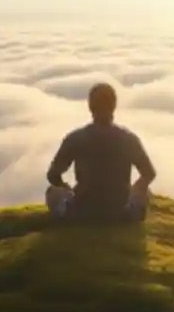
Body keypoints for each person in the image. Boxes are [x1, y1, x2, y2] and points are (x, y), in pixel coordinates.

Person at [46, 82, 156, 221]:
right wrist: (136, 188)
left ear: (90, 107)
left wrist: (65, 188)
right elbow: (149, 173)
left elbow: (52, 175)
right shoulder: (129, 139)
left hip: (81, 214)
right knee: (146, 192)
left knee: (53, 192)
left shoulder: (75, 138)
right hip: (123, 215)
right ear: (114, 106)